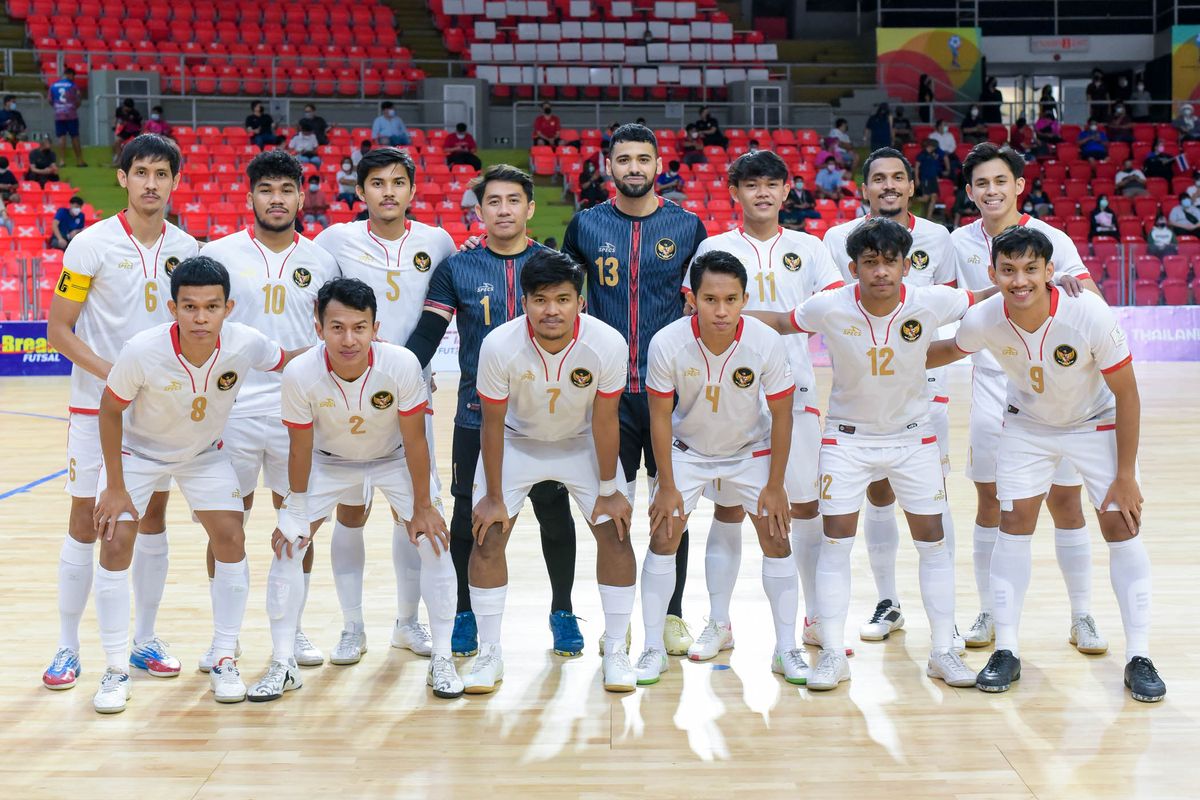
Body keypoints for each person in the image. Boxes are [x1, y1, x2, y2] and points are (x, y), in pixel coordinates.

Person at [931, 226, 1165, 703]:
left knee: (1121, 524)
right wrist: (893, 349)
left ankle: (1139, 655)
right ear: (993, 273)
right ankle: (1008, 649)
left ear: (1050, 272)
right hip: (1028, 426)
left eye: (1030, 270)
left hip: (1095, 422)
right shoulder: (984, 318)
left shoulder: (1087, 314)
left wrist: (1125, 476)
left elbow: (1128, 393)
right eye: (1009, 270)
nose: (1020, 281)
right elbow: (945, 352)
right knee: (1013, 523)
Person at [753, 217, 987, 691]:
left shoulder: (931, 300)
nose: (881, 271)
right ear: (854, 266)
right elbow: (780, 322)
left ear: (906, 264)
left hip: (914, 438)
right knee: (836, 543)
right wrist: (715, 315)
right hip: (846, 440)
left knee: (933, 543)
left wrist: (1050, 282)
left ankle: (943, 650)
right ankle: (833, 654)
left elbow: (987, 298)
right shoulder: (829, 306)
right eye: (870, 262)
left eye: (890, 262)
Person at [87, 256, 302, 712]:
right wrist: (114, 487)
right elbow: (108, 411)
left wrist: (350, 350)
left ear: (229, 307)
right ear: (172, 307)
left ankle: (224, 656)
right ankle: (114, 668)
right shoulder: (142, 350)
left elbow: (286, 360)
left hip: (204, 454)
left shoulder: (245, 342)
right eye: (189, 307)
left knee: (231, 536)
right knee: (115, 541)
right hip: (138, 454)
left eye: (211, 306)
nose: (200, 317)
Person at [406, 165, 584, 658]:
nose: (503, 210)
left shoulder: (555, 265)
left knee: (553, 511)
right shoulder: (457, 267)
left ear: (529, 208)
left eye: (513, 201)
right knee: (469, 515)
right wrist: (392, 373)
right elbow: (427, 334)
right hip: (473, 413)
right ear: (479, 211)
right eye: (493, 202)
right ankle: (465, 610)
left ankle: (563, 611)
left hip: (543, 415)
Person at [43, 134, 199, 692]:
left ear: (175, 182)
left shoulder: (190, 249)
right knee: (87, 522)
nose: (151, 183)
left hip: (158, 414)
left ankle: (145, 640)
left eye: (162, 173)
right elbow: (58, 330)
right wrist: (116, 374)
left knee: (151, 519)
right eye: (141, 173)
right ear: (124, 179)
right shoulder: (88, 245)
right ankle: (67, 646)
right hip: (95, 406)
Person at [252, 277, 455, 700]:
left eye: (359, 327)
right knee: (289, 543)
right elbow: (300, 447)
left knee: (435, 540)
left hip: (394, 458)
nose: (349, 339)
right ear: (318, 328)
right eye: (337, 327)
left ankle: (443, 660)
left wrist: (423, 504)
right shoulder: (300, 373)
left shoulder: (399, 364)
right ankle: (283, 661)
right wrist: (295, 509)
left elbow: (416, 440)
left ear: (375, 328)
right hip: (329, 463)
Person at [684, 151, 844, 661]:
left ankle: (816, 617)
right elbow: (701, 310)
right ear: (734, 191)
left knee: (803, 507)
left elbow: (833, 309)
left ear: (787, 189)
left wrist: (767, 321)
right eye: (751, 185)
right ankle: (718, 622)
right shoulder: (714, 247)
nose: (762, 193)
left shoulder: (810, 247)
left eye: (772, 184)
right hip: (726, 400)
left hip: (794, 393)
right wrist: (783, 318)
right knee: (727, 509)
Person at [951, 142, 1107, 654]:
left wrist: (1062, 288)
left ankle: (1082, 614)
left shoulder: (1052, 239)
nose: (991, 191)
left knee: (1065, 501)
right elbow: (944, 307)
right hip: (993, 387)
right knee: (990, 501)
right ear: (969, 191)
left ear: (1019, 186)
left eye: (1001, 181)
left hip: (1056, 390)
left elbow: (1096, 304)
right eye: (981, 183)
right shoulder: (958, 243)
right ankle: (991, 611)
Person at [561, 123, 709, 656]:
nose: (633, 169)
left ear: (657, 164)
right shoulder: (584, 226)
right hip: (607, 392)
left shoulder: (688, 226)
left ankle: (670, 615)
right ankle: (618, 619)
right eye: (623, 159)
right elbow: (559, 293)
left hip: (669, 388)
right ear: (609, 166)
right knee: (612, 503)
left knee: (675, 502)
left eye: (643, 159)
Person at [465, 251, 635, 693]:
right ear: (524, 302)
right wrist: (494, 495)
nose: (552, 310)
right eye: (540, 300)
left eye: (563, 299)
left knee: (615, 532)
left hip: (581, 441)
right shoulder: (499, 344)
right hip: (517, 441)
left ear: (580, 302)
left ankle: (616, 648)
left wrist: (609, 488)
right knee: (488, 536)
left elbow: (605, 419)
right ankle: (490, 653)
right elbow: (491, 422)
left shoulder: (607, 342)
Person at [198, 150, 339, 671]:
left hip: (298, 411)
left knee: (297, 525)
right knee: (226, 528)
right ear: (251, 196)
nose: (276, 200)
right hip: (229, 411)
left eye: (286, 190)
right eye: (266, 190)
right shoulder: (219, 254)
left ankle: (293, 631)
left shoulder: (323, 259)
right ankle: (223, 640)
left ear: (302, 197)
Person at [315, 147, 456, 662]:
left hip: (412, 394)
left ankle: (407, 622)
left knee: (410, 514)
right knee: (350, 512)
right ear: (361, 191)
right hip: (347, 394)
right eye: (377, 183)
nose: (388, 191)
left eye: (398, 182)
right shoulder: (335, 240)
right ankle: (352, 628)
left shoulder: (436, 241)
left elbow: (443, 308)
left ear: (413, 191)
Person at [635, 249, 798, 686]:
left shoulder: (765, 341)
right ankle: (652, 647)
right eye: (710, 299)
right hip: (689, 452)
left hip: (750, 451)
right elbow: (659, 416)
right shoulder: (668, 341)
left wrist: (777, 484)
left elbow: (783, 415)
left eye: (731, 299)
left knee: (777, 538)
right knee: (664, 535)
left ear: (745, 298)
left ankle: (787, 648)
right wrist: (665, 484)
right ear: (693, 298)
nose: (721, 310)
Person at [823, 149, 961, 647]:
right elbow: (845, 313)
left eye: (897, 178)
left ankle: (946, 621)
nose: (888, 186)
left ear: (910, 185)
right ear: (864, 189)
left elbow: (947, 310)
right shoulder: (838, 239)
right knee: (877, 496)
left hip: (925, 392)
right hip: (864, 394)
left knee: (932, 501)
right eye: (878, 178)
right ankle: (888, 600)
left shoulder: (938, 237)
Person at [49, 67, 86, 167]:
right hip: (71, 115)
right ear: (70, 75)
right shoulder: (73, 86)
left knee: (61, 137)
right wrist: (73, 107)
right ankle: (79, 161)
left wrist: (58, 107)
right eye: (74, 76)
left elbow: (50, 100)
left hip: (59, 114)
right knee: (75, 136)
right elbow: (78, 100)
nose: (74, 78)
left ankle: (61, 161)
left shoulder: (53, 86)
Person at [111, 99, 142, 166]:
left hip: (135, 130)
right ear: (124, 106)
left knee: (134, 145)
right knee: (117, 142)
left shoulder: (135, 113)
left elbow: (139, 124)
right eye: (127, 108)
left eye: (130, 108)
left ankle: (126, 161)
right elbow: (116, 118)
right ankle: (118, 158)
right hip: (126, 130)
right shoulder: (119, 110)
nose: (128, 110)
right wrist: (114, 125)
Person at [915, 138, 945, 208]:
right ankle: (910, 201)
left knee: (934, 197)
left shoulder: (933, 155)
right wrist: (917, 178)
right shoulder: (922, 154)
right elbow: (917, 167)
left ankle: (929, 217)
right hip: (926, 179)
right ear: (931, 146)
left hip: (933, 179)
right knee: (925, 199)